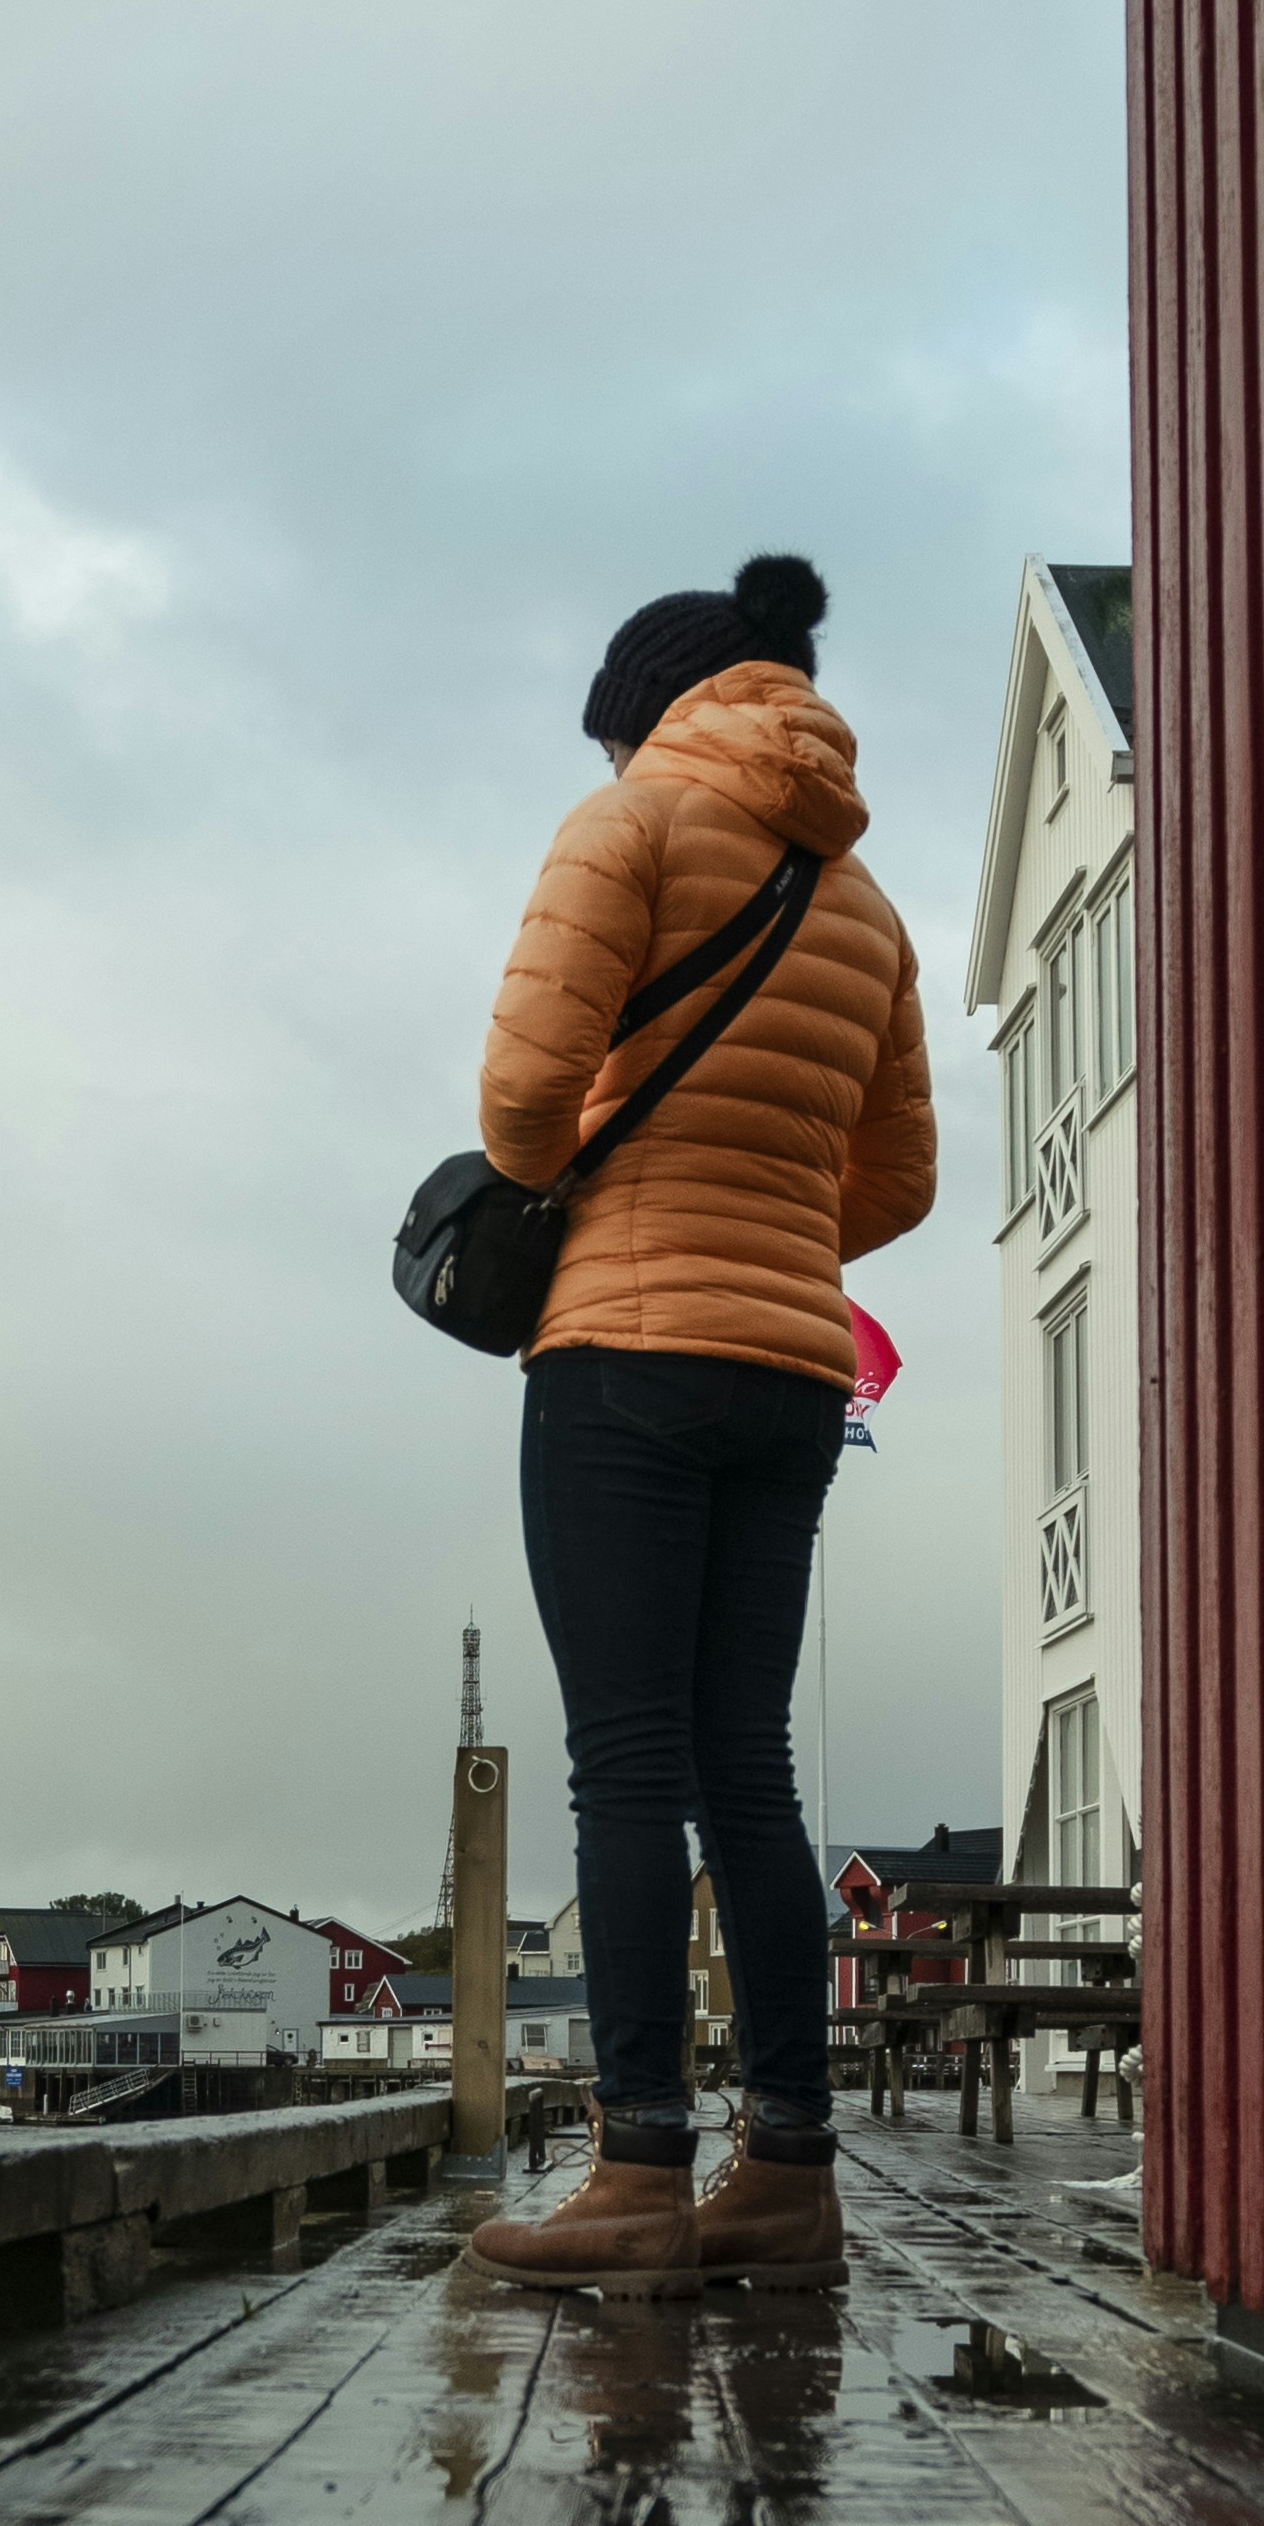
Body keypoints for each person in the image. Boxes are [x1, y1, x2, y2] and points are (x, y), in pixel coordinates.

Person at [467, 550, 934, 2291]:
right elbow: (896, 1178)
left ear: (650, 714)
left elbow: (520, 1103)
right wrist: (771, 1225)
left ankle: (639, 2170)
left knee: (624, 1762)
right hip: (792, 1370)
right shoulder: (861, 900)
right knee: (749, 1762)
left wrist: (590, 1177)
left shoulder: (634, 826)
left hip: (624, 1357)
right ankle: (790, 2174)